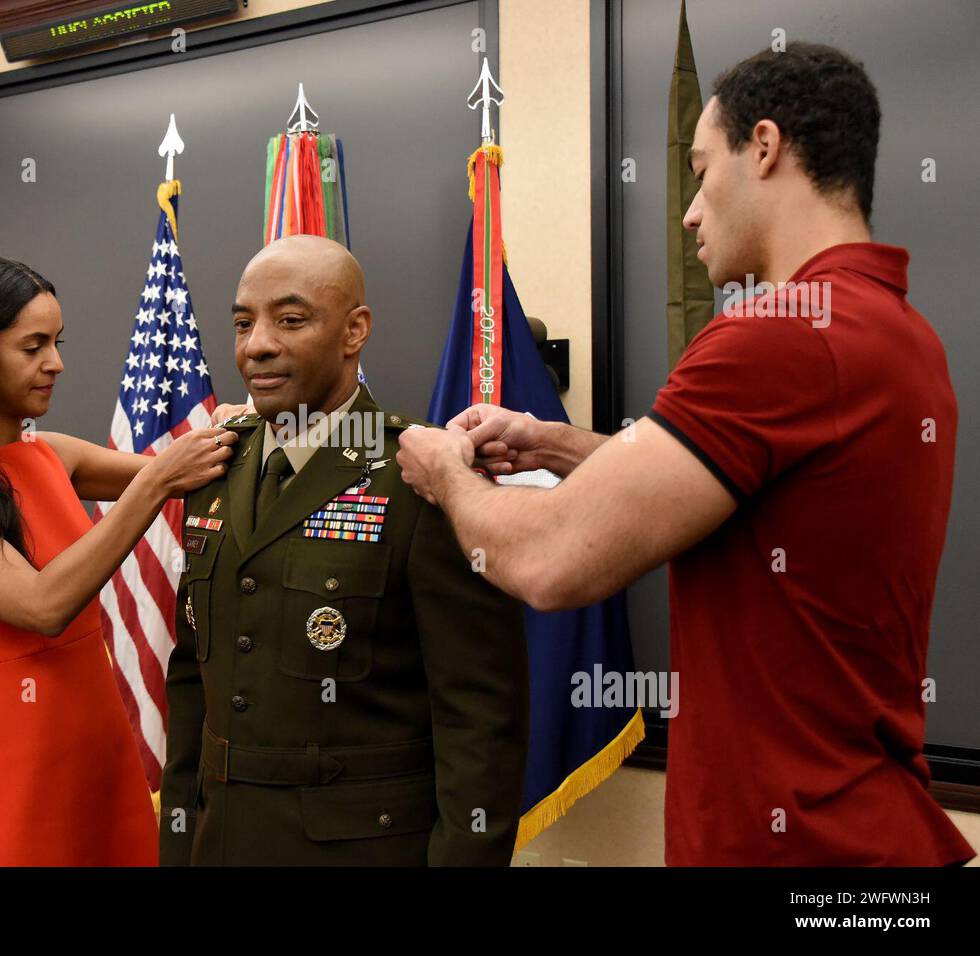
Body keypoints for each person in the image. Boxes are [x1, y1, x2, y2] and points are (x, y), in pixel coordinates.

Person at [396, 43, 974, 867]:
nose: (691, 211)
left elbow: (551, 561)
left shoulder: (773, 336)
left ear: (765, 148)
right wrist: (554, 443)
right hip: (867, 841)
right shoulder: (894, 333)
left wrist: (445, 473)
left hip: (794, 847)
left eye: (702, 172)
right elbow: (740, 485)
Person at [158, 235, 528, 867]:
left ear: (355, 330)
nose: (258, 345)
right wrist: (177, 838)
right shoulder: (214, 468)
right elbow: (194, 677)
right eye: (243, 323)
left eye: (291, 319)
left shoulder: (421, 475)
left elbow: (480, 717)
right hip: (221, 842)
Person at [0, 255, 234, 866]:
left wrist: (239, 425)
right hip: (18, 760)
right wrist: (154, 482)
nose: (57, 363)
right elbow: (41, 605)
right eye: (33, 346)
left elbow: (194, 470)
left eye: (57, 342)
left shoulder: (50, 454)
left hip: (100, 743)